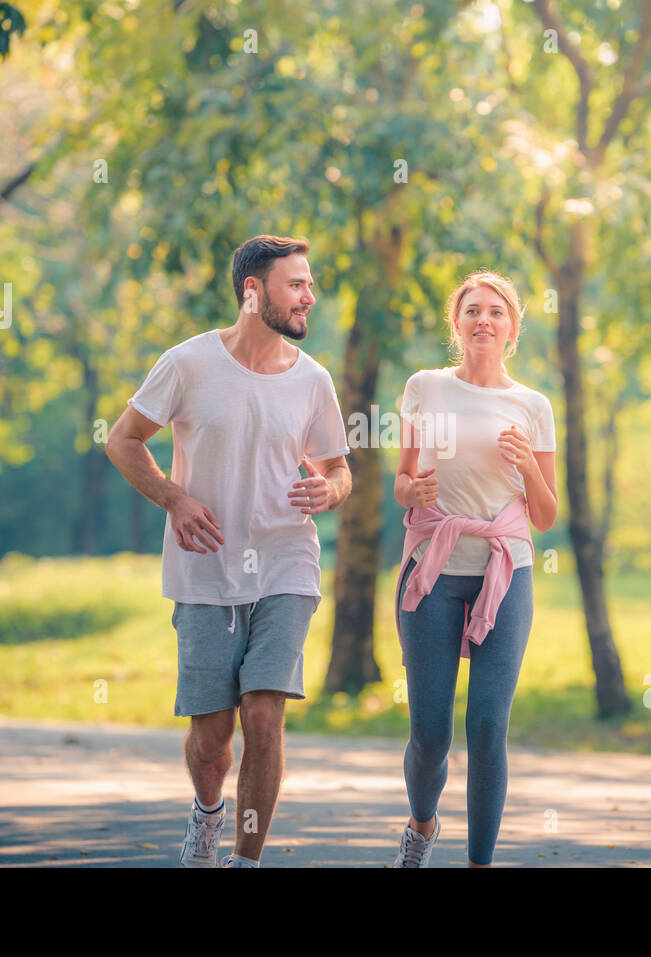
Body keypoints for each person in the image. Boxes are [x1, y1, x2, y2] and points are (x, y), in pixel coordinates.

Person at [106, 235, 352, 868]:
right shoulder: (187, 364)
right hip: (206, 569)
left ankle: (246, 860)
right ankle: (207, 813)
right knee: (213, 737)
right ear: (253, 291)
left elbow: (338, 468)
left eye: (309, 284)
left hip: (285, 563)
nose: (308, 296)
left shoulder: (312, 379)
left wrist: (329, 488)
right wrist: (175, 500)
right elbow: (124, 440)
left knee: (264, 715)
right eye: (295, 284)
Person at [391, 270, 558, 867]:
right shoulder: (425, 388)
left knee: (487, 725)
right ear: (456, 324)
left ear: (512, 329)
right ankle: (421, 827)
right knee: (432, 732)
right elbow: (402, 483)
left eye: (496, 312)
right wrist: (415, 489)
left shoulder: (533, 406)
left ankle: (479, 863)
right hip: (432, 570)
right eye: (472, 311)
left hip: (504, 572)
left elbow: (545, 515)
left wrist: (530, 469)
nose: (483, 320)